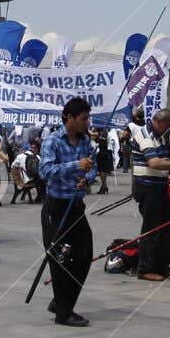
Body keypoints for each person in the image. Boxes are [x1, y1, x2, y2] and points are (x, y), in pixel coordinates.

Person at [39, 97, 98, 325]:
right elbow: (44, 171)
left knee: (84, 255)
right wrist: (75, 166)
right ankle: (63, 312)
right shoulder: (52, 141)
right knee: (59, 259)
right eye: (83, 118)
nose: (86, 122)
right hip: (56, 207)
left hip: (76, 206)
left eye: (87, 118)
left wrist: (87, 178)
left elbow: (93, 167)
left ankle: (61, 301)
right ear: (69, 118)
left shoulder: (85, 141)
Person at [133, 108, 170, 280]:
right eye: (169, 125)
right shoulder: (144, 134)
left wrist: (168, 164)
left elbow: (161, 161)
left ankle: (163, 266)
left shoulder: (160, 136)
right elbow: (154, 162)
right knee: (152, 228)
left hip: (160, 187)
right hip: (148, 188)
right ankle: (145, 269)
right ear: (161, 122)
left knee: (165, 227)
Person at [94, 127, 114, 195]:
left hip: (100, 153)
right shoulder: (106, 134)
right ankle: (103, 186)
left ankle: (104, 186)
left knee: (101, 170)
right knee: (104, 170)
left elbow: (91, 134)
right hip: (106, 152)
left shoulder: (97, 134)